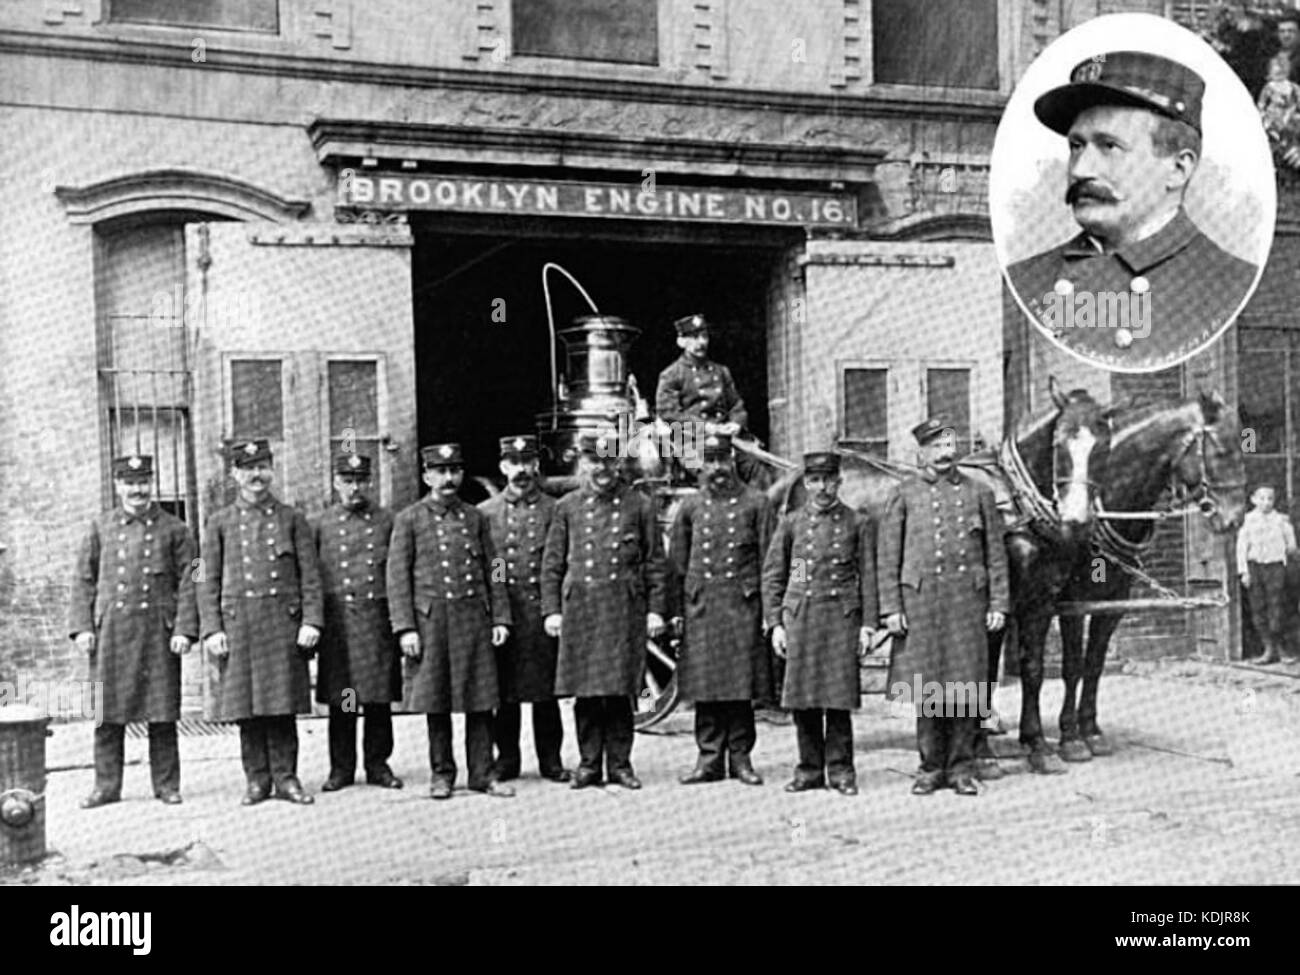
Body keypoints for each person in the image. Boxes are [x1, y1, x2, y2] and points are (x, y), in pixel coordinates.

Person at [1006, 50, 1259, 371]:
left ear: (1178, 169)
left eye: (1110, 146)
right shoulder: (1025, 280)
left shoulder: (1231, 283)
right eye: (1076, 146)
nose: (1081, 169)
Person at [879, 418, 1009, 796]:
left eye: (950, 447)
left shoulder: (980, 493)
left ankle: (962, 768)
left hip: (968, 603)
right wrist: (891, 607)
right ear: (921, 453)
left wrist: (999, 602)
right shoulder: (904, 494)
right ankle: (930, 767)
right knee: (929, 687)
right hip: (922, 604)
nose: (945, 454)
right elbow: (888, 556)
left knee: (965, 687)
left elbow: (996, 554)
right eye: (936, 447)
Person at [68, 454, 198, 807]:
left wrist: (185, 628)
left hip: (158, 631)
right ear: (118, 485)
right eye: (129, 483)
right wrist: (82, 627)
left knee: (162, 712)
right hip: (111, 632)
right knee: (106, 713)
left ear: (152, 484)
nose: (137, 489)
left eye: (143, 482)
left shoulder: (176, 529)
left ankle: (167, 785)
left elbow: (193, 579)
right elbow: (83, 580)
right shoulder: (100, 528)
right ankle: (106, 786)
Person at [541, 431, 668, 790]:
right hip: (581, 609)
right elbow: (552, 565)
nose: (602, 469)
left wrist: (656, 610)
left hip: (623, 608)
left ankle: (621, 765)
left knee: (619, 691)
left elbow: (655, 562)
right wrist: (552, 610)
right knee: (587, 693)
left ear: (619, 463)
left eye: (609, 461)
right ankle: (588, 764)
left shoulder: (639, 505)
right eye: (595, 461)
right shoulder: (566, 507)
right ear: (583, 463)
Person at [199, 439, 322, 806]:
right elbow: (203, 577)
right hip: (239, 627)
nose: (257, 475)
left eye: (263, 466)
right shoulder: (219, 523)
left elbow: (311, 576)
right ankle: (256, 781)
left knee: (281, 706)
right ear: (235, 473)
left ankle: (287, 778)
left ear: (272, 470)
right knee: (247, 708)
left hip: (283, 626)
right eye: (248, 468)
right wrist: (212, 628)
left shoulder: (292, 519)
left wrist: (312, 620)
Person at [387, 443, 514, 799]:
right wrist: (405, 628)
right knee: (437, 702)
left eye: (454, 471)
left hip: (473, 619)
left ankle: (482, 774)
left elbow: (496, 569)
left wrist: (500, 616)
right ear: (426, 476)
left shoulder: (476, 518)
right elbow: (397, 578)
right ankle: (442, 774)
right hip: (432, 623)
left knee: (480, 700)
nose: (448, 478)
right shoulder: (409, 519)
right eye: (440, 472)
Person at [760, 450, 877, 796]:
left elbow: (867, 577)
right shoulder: (792, 524)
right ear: (807, 484)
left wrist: (868, 625)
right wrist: (776, 623)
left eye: (829, 480)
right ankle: (809, 769)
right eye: (815, 481)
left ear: (839, 483)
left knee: (838, 700)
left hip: (841, 618)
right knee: (804, 700)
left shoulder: (857, 523)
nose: (822, 488)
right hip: (802, 618)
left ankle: (841, 771)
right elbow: (776, 576)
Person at [670, 433, 775, 786]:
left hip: (742, 606)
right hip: (703, 607)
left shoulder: (757, 504)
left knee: (740, 687)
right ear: (702, 464)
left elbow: (771, 562)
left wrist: (769, 612)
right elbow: (678, 565)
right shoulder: (690, 508)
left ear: (733, 461)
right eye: (710, 460)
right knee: (706, 686)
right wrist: (677, 610)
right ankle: (709, 758)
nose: (717, 468)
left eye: (722, 460)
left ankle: (741, 758)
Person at [478, 435, 569, 783]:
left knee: (546, 694)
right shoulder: (487, 514)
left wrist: (553, 609)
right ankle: (508, 759)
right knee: (507, 694)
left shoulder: (554, 510)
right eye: (514, 464)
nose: (521, 470)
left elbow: (558, 561)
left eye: (527, 463)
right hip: (506, 614)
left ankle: (551, 761)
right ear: (503, 467)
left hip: (542, 612)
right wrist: (498, 607)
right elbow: (494, 564)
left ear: (536, 466)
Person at [312, 453, 403, 792]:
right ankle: (342, 767)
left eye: (360, 481)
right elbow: (312, 577)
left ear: (370, 483)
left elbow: (397, 574)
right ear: (336, 483)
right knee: (345, 697)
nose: (354, 488)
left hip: (376, 622)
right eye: (347, 481)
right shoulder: (320, 524)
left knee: (377, 698)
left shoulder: (387, 522)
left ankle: (378, 764)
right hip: (341, 627)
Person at [654, 314, 754, 482]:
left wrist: (736, 424)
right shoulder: (671, 375)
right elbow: (668, 413)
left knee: (756, 467)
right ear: (681, 342)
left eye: (704, 336)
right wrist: (705, 428)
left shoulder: (721, 371)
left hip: (728, 439)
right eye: (694, 337)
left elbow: (736, 405)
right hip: (691, 442)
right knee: (711, 474)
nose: (700, 342)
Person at [1237, 484, 1298, 665]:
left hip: (1276, 568)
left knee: (1277, 606)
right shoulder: (1248, 521)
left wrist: (1289, 538)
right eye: (1262, 498)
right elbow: (1241, 548)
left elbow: (1291, 547)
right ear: (1253, 500)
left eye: (1270, 499)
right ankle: (1267, 649)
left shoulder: (1281, 520)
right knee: (1258, 608)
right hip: (1255, 568)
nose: (1266, 502)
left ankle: (1281, 649)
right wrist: (1244, 572)